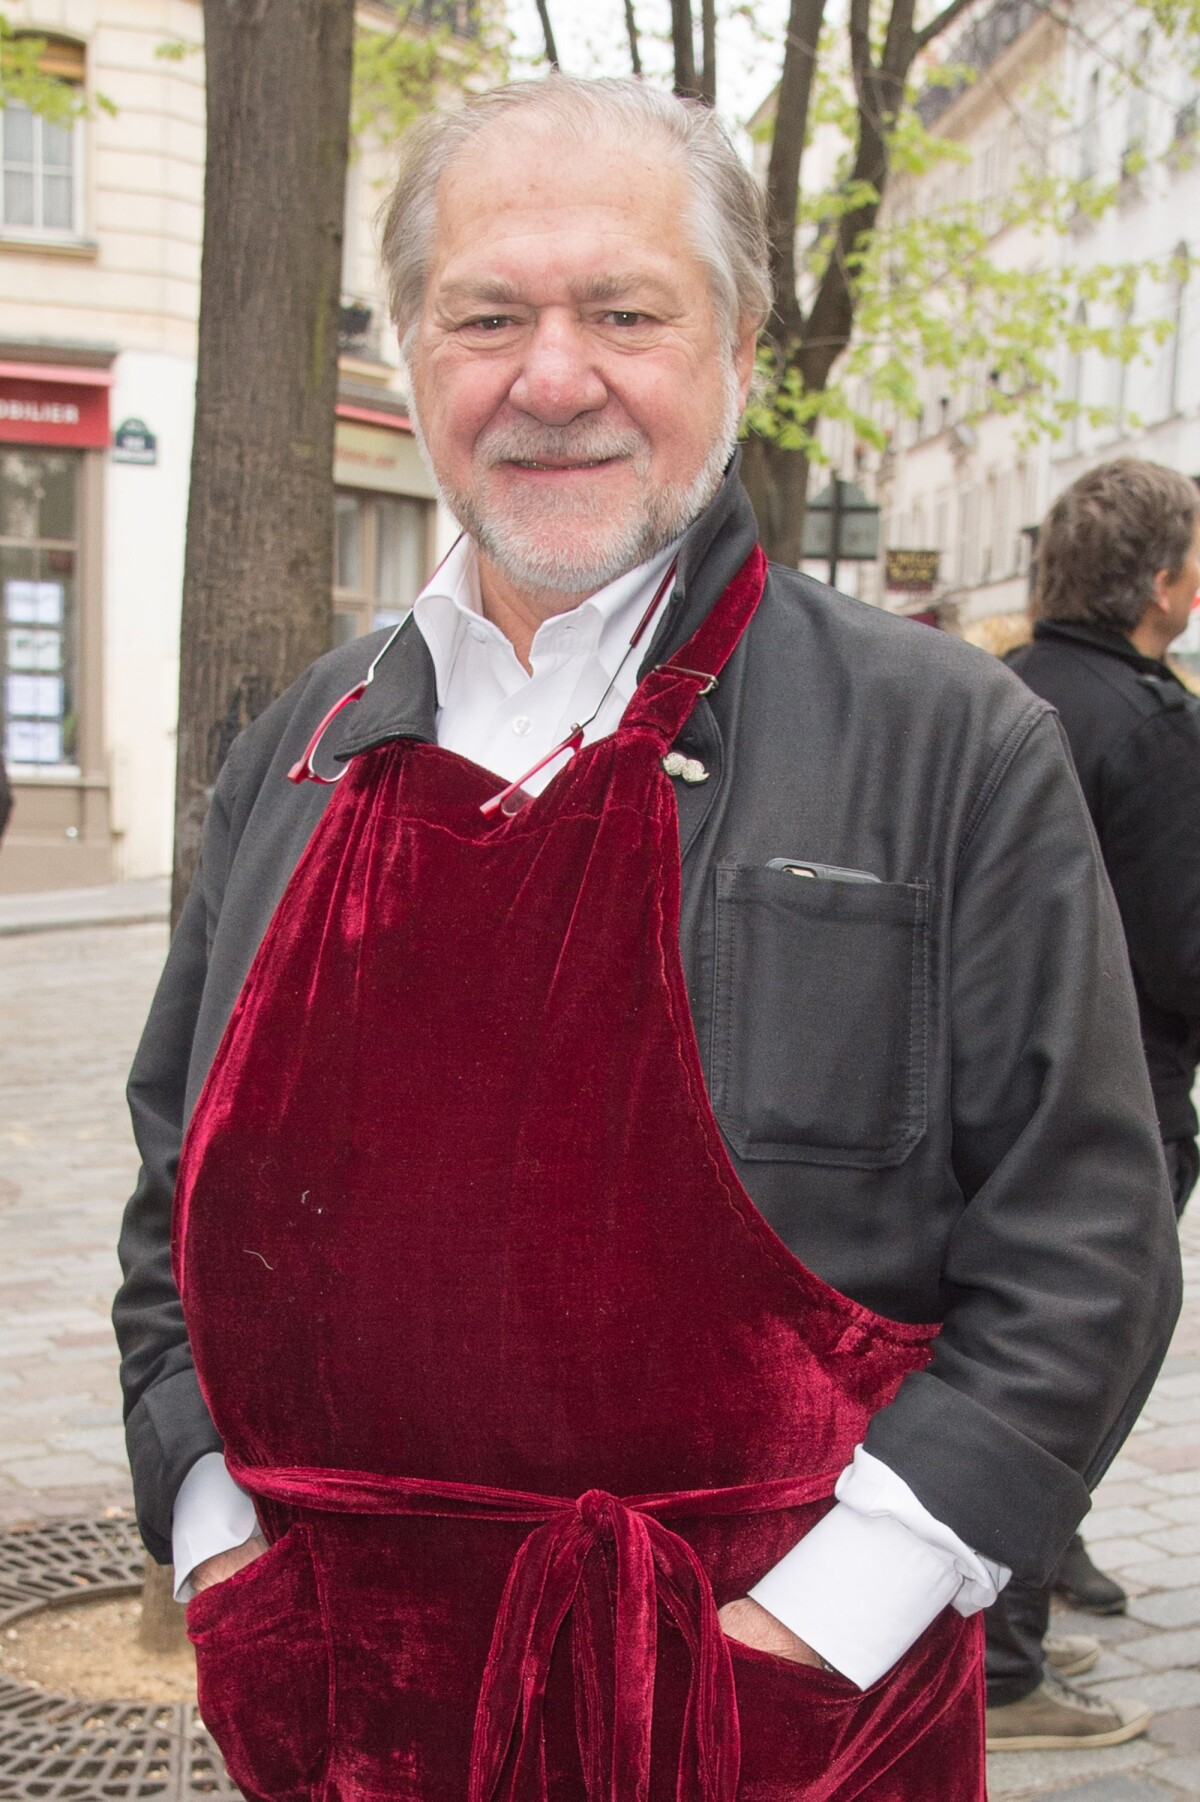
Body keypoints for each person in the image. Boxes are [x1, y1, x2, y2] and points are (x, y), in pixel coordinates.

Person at [114, 78, 1180, 1800]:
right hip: (351, 1724)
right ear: (408, 349)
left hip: (778, 1725)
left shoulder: (949, 742)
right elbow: (176, 1185)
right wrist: (218, 1531)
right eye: (488, 315)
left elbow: (1087, 1237)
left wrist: (820, 1638)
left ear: (739, 345)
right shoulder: (296, 751)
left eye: (624, 312)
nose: (553, 377)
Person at [987, 458, 1200, 1747]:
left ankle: (1040, 1573)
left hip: (972, 1082)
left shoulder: (993, 688)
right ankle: (1004, 1663)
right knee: (1088, 1346)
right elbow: (1184, 945)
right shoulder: (1155, 720)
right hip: (1114, 1096)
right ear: (1164, 583)